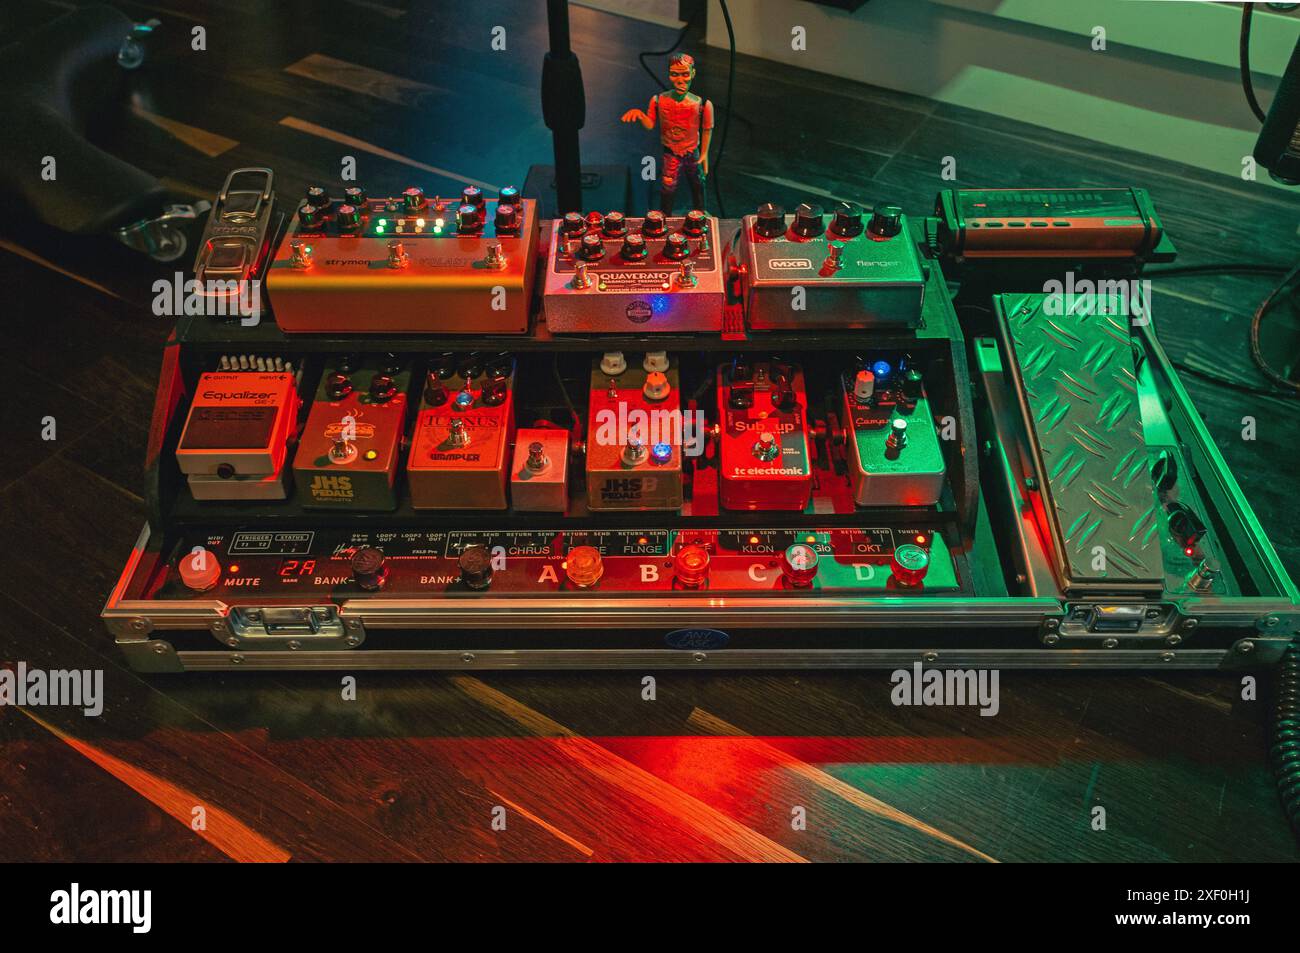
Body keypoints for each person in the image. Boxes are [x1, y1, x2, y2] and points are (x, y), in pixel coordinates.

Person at [621, 52, 713, 214]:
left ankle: (700, 212)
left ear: (692, 73)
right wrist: (641, 115)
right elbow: (650, 124)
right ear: (670, 75)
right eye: (675, 74)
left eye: (685, 74)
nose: (680, 80)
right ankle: (665, 216)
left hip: (692, 151)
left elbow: (707, 129)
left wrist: (705, 153)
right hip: (671, 152)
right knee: (668, 185)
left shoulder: (702, 104)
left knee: (698, 181)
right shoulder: (658, 100)